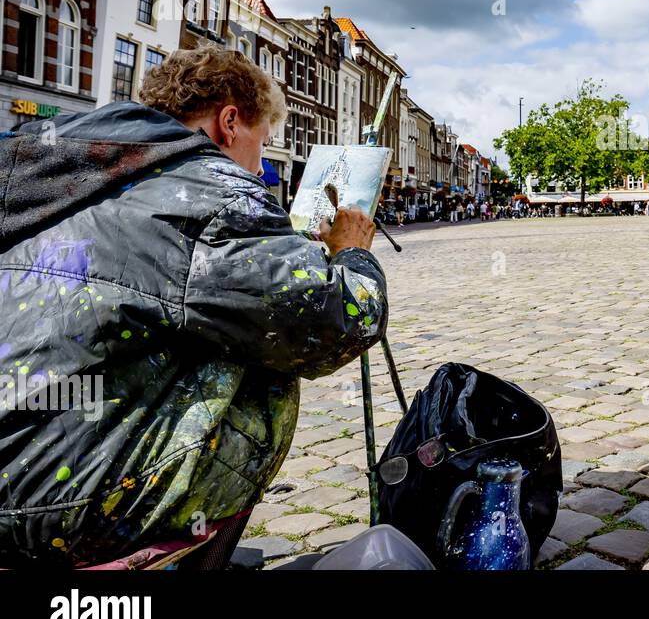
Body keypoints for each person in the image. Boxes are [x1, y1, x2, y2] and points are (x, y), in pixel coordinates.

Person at [0, 47, 387, 568]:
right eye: (261, 145)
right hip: (50, 504)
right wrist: (353, 254)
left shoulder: (59, 166)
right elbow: (337, 323)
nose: (260, 166)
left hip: (14, 458)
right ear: (229, 122)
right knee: (264, 355)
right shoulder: (213, 194)